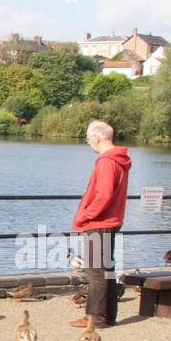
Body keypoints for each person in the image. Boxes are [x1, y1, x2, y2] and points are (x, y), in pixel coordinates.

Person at [70, 120, 132, 329]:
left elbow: (103, 195)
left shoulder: (106, 161)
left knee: (95, 271)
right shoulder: (119, 160)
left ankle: (95, 318)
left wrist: (85, 215)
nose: (89, 143)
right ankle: (107, 316)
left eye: (88, 139)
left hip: (99, 222)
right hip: (112, 220)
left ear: (96, 137)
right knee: (106, 270)